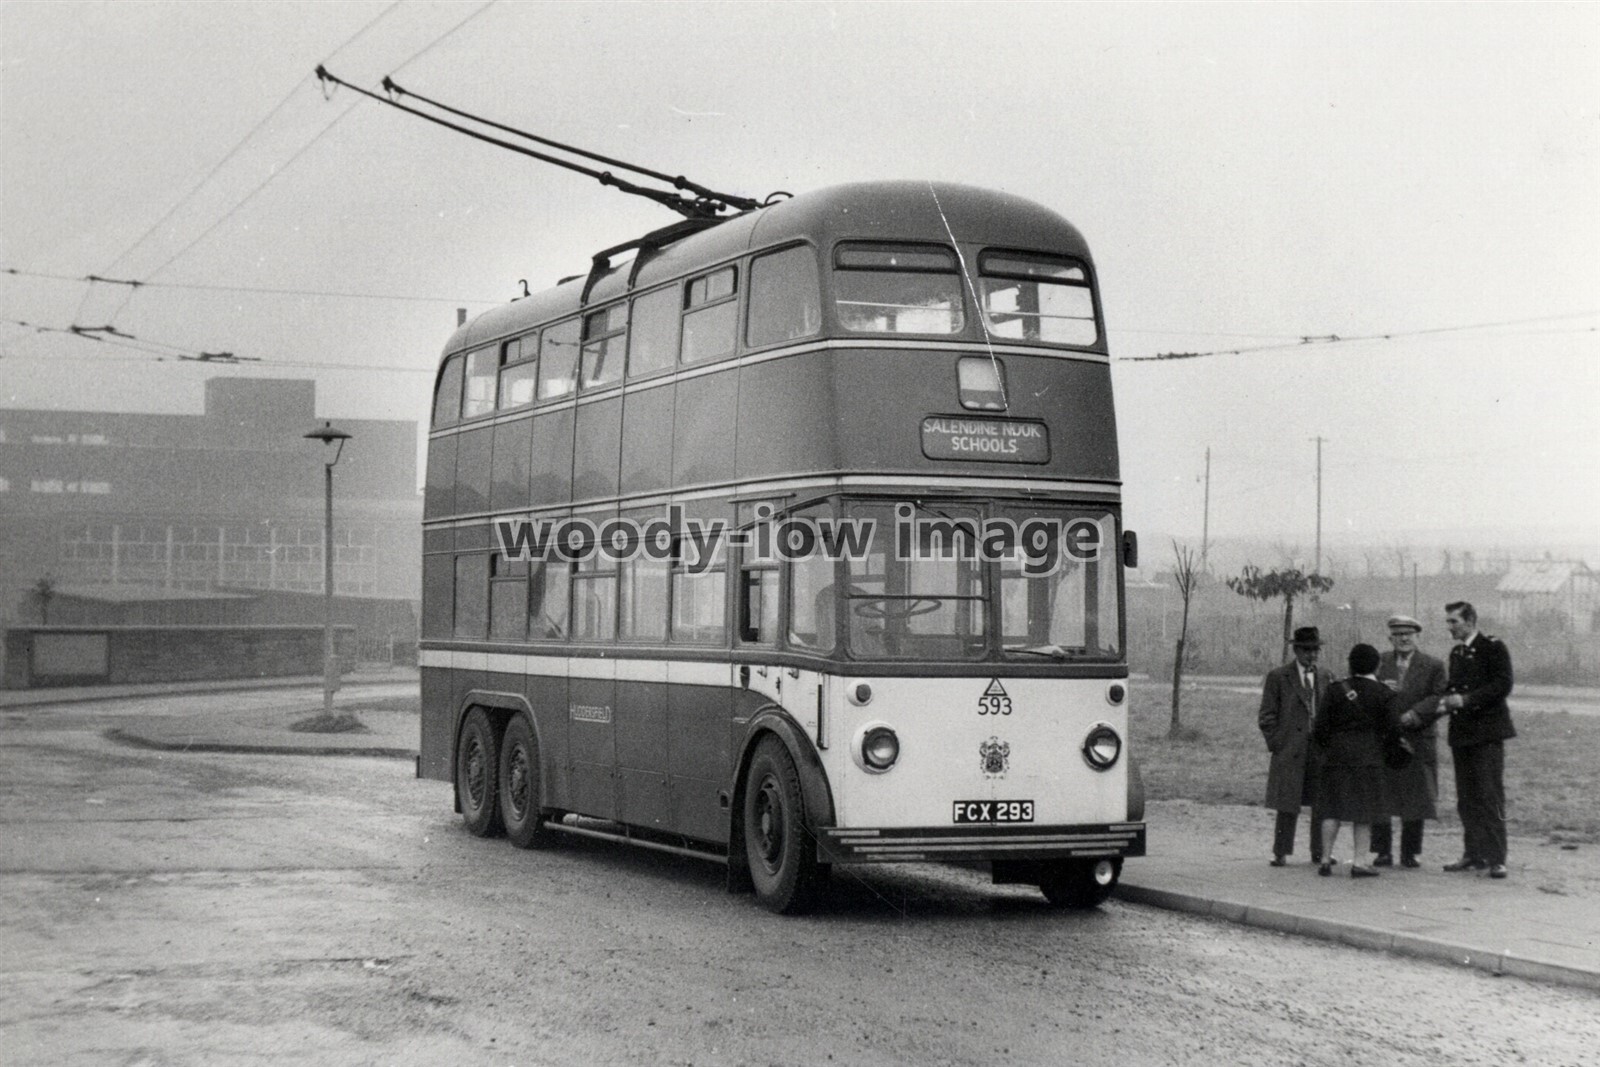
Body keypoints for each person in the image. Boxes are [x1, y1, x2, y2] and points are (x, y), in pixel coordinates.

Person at [1439, 601, 1516, 879]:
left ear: (1470, 621)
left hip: (1487, 734)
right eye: (1448, 621)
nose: (1449, 627)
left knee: (1489, 796)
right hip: (1462, 735)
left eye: (1453, 621)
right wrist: (1445, 701)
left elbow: (1503, 684)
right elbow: (1453, 687)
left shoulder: (1492, 647)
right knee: (1467, 798)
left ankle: (1497, 858)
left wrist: (1468, 699)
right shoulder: (1457, 652)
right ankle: (1473, 854)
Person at [1315, 643, 1401, 878]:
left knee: (1331, 809)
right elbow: (1394, 730)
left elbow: (1320, 728)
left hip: (1337, 756)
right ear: (1378, 665)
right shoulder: (1385, 694)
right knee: (1364, 813)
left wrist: (1329, 748)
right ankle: (1360, 863)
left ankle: (1324, 859)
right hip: (1368, 757)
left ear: (1350, 664)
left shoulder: (1335, 690)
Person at [1369, 614, 1447, 867]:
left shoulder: (1433, 665)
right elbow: (1365, 691)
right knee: (1382, 794)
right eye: (1398, 634)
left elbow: (1440, 697)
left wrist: (1415, 714)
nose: (1403, 639)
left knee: (1417, 796)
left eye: (1408, 634)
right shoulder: (1378, 662)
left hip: (1419, 737)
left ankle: (1410, 852)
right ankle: (1382, 851)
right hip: (1386, 738)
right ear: (1390, 637)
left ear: (1416, 637)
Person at [1259, 626, 1332, 867]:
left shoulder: (1325, 676)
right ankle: (1280, 851)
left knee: (1321, 802)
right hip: (1290, 750)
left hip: (1318, 750)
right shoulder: (1278, 677)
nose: (1312, 655)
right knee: (1287, 803)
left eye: (1315, 650)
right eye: (1307, 650)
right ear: (1296, 650)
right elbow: (1266, 716)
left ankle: (1320, 851)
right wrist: (1278, 743)